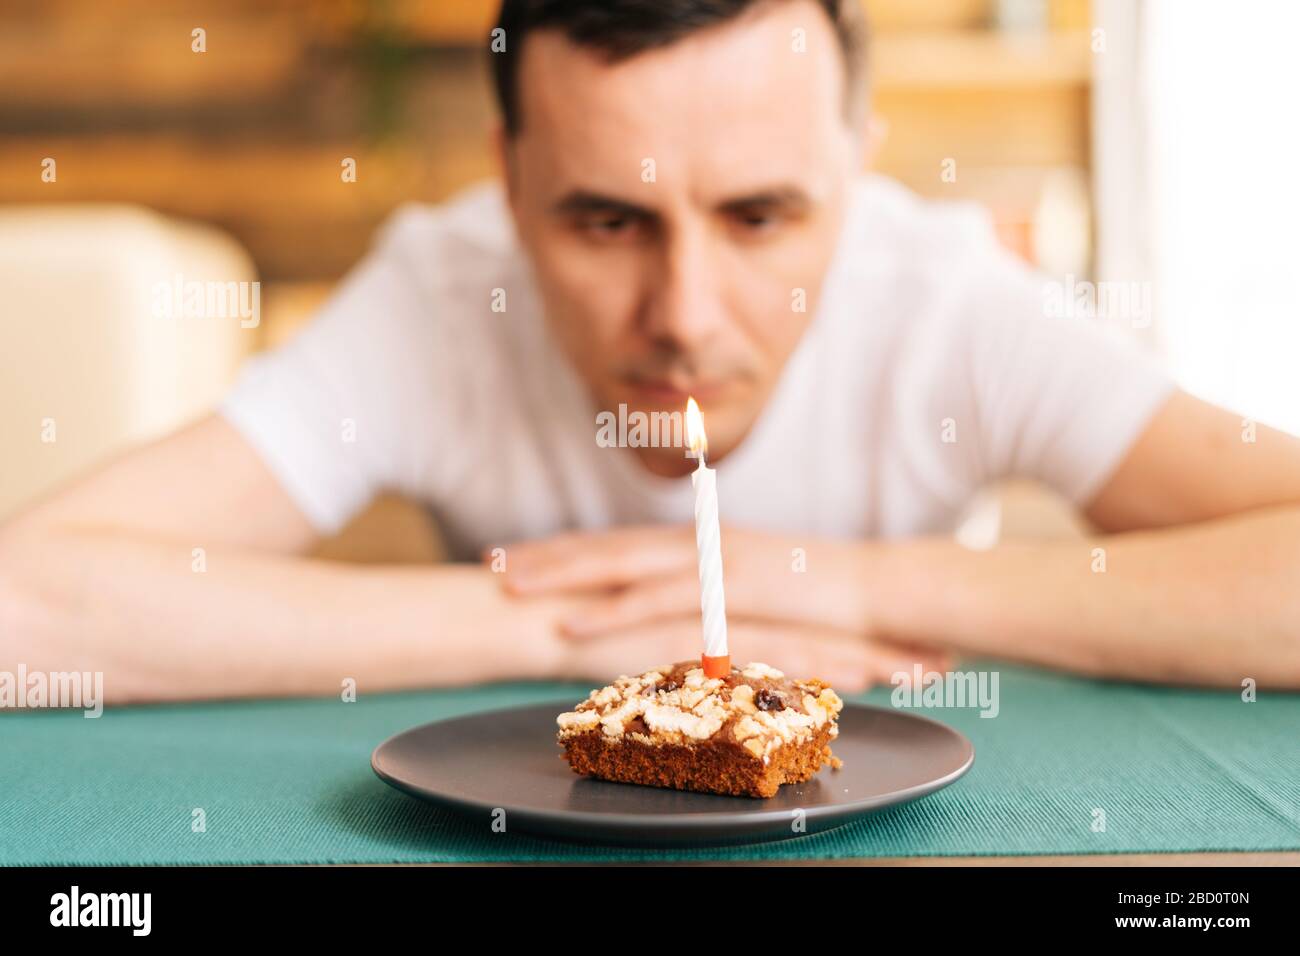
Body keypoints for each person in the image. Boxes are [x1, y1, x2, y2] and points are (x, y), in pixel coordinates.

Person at [4, 0, 1300, 705]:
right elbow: (19, 610)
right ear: (510, 187)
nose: (683, 311)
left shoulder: (949, 297)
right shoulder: (444, 295)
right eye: (605, 221)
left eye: (761, 216)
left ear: (857, 170)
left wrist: (845, 586)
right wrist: (555, 629)